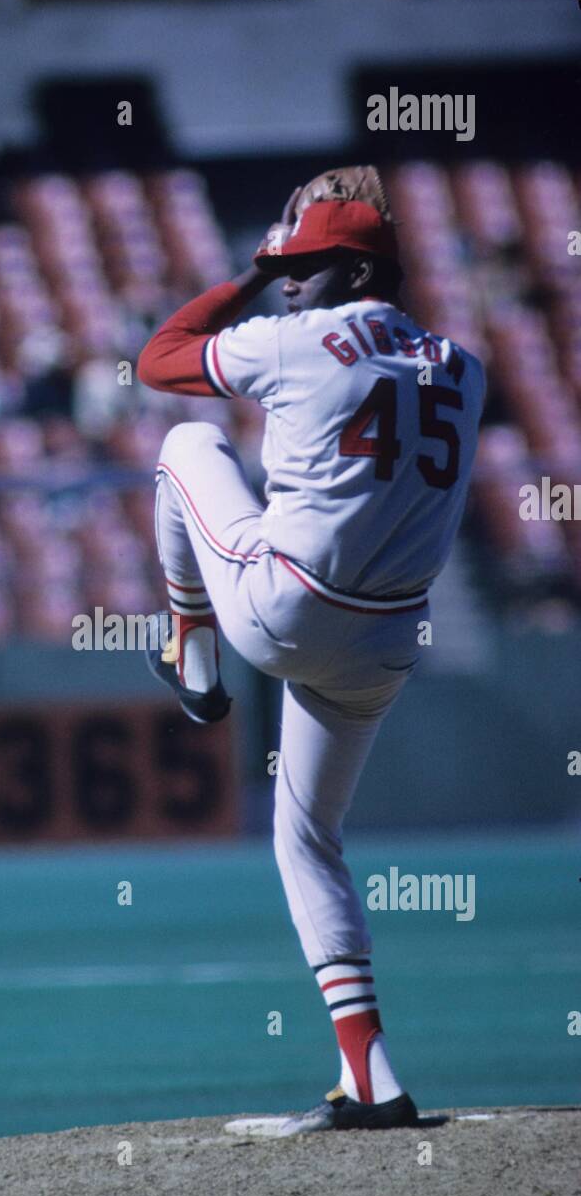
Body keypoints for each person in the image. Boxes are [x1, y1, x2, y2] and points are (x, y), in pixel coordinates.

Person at [137, 182, 485, 1133]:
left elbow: (158, 358)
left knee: (184, 444)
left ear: (361, 271)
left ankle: (189, 646)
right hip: (383, 640)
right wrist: (297, 257)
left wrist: (249, 270)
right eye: (282, 274)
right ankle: (369, 1073)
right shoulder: (467, 366)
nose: (289, 287)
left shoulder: (291, 337)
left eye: (304, 270)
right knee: (308, 838)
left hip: (281, 605)